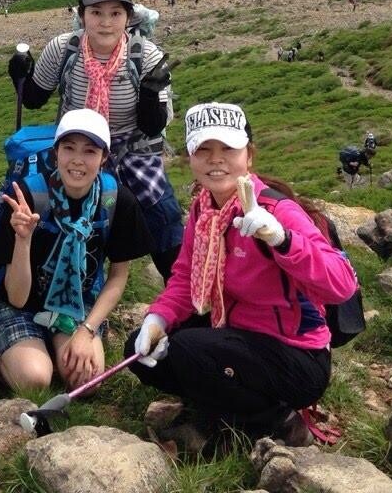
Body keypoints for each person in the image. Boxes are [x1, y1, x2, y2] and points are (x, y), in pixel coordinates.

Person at [127, 102, 358, 449]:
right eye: (203, 150)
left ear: (248, 156)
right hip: (236, 334)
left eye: (227, 149)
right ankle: (224, 406)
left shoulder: (277, 211)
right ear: (190, 158)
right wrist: (157, 318)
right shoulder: (203, 210)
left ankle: (281, 421)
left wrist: (282, 239)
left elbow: (341, 284)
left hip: (296, 355)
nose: (215, 159)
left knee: (189, 349)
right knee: (140, 351)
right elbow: (184, 277)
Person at [9, 0, 182, 279]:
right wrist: (20, 75)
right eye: (96, 13)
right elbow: (35, 98)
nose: (105, 22)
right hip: (79, 146)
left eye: (115, 13)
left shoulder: (147, 56)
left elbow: (154, 125)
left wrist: (151, 94)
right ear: (82, 15)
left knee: (162, 219)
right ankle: (70, 283)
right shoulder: (63, 49)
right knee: (66, 220)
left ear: (128, 17)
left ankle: (179, 290)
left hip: (132, 149)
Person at [0, 109, 151, 392]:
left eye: (89, 151)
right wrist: (23, 241)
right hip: (17, 303)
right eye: (68, 148)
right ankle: (10, 355)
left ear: (104, 157)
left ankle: (55, 344)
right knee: (34, 379)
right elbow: (17, 297)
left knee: (87, 382)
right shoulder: (26, 198)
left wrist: (86, 330)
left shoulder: (116, 201)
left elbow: (118, 275)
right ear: (56, 151)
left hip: (75, 303)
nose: (77, 160)